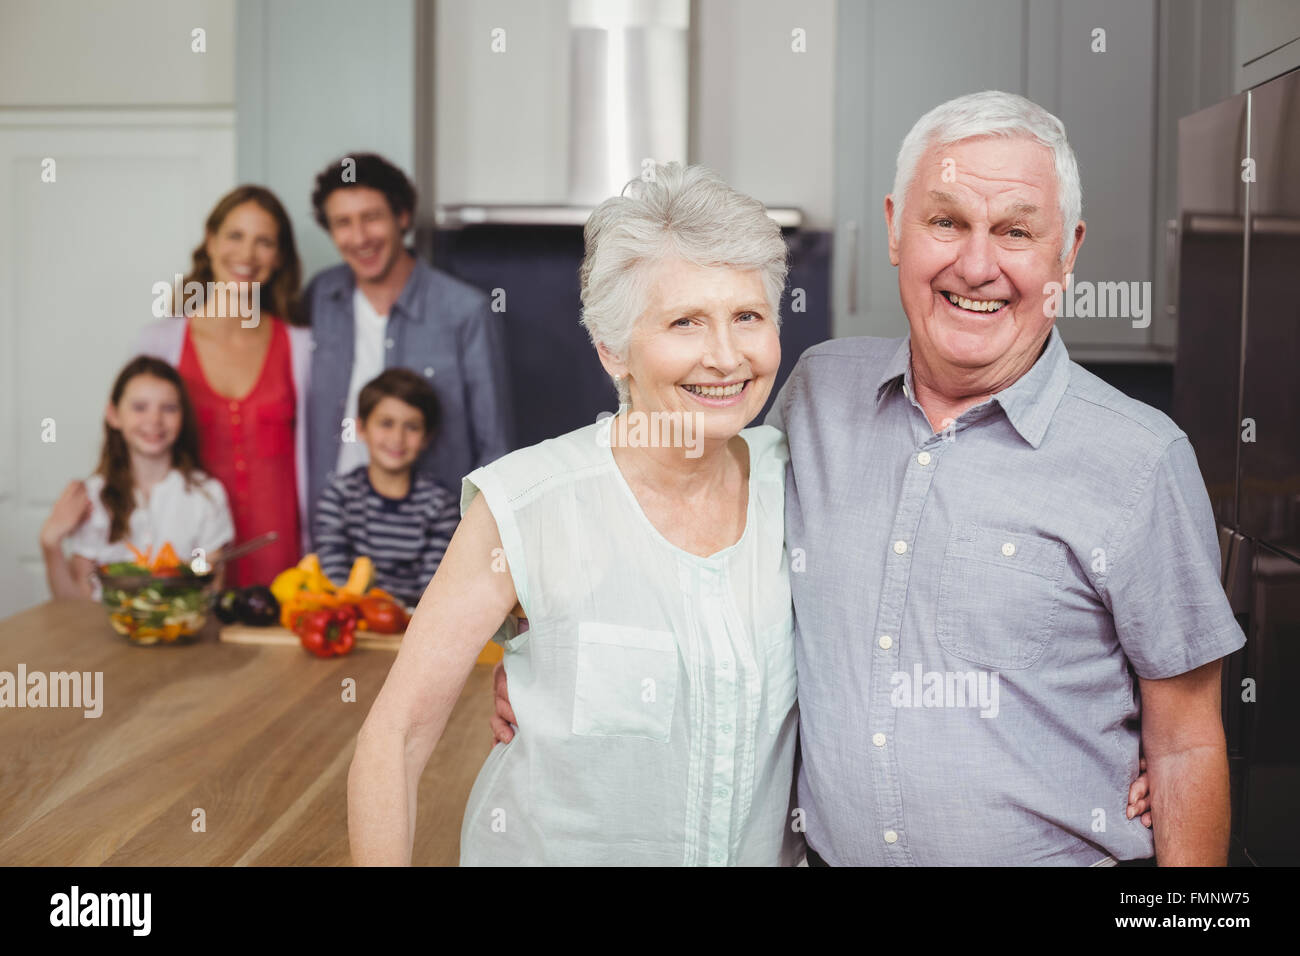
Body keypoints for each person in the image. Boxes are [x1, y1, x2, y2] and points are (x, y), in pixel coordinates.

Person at [765, 91, 1243, 866]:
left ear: (1068, 252)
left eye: (1015, 231)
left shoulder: (1141, 460)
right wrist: (548, 645)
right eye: (946, 221)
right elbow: (698, 548)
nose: (976, 265)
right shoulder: (816, 395)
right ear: (893, 226)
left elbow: (1186, 746)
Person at [348, 163, 803, 866]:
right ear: (611, 350)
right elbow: (396, 737)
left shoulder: (800, 480)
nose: (725, 356)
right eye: (685, 321)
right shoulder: (530, 504)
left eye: (748, 316)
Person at [301, 153, 513, 539]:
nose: (360, 237)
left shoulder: (464, 311)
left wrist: (480, 546)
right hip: (336, 534)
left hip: (433, 541)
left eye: (372, 217)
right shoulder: (320, 296)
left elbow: (494, 447)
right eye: (343, 223)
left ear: (402, 217)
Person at [136, 185, 311, 586]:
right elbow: (129, 448)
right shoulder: (159, 344)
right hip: (182, 554)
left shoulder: (301, 346)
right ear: (210, 242)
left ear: (279, 257)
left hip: (283, 558)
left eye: (264, 241)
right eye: (235, 236)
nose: (247, 255)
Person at [40, 357, 234, 600]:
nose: (154, 420)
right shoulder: (93, 497)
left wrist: (192, 574)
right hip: (102, 633)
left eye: (169, 408)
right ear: (114, 415)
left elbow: (210, 589)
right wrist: (50, 543)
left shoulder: (207, 496)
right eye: (140, 407)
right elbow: (75, 602)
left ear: (183, 418)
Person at [313, 368, 460, 608]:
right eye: (386, 423)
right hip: (352, 623)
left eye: (411, 427)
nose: (397, 438)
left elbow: (434, 589)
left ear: (426, 437)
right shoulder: (338, 497)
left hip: (416, 627)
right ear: (361, 428)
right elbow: (335, 580)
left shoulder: (439, 504)